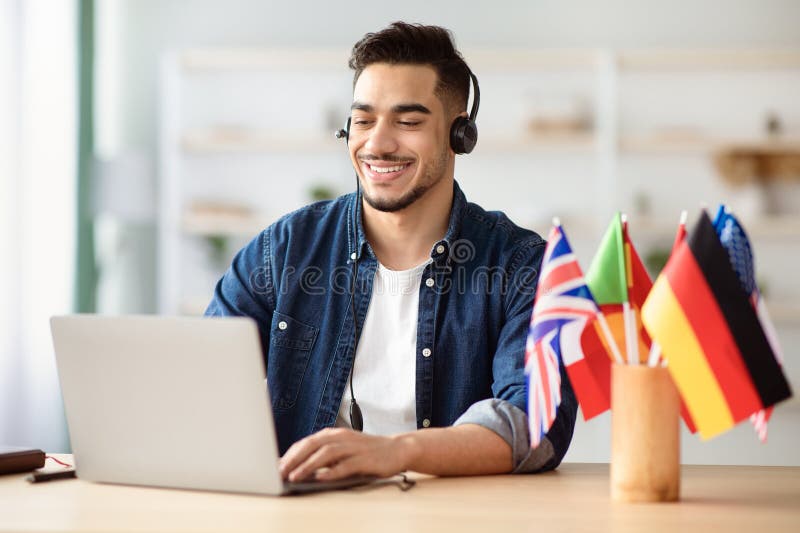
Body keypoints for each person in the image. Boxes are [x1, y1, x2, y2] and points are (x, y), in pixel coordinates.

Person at [205, 22, 577, 483]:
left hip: (452, 513)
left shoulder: (521, 265)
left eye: (408, 122)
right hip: (305, 510)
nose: (377, 144)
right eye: (363, 121)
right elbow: (201, 383)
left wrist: (396, 452)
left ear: (459, 134)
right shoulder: (283, 251)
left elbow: (535, 425)